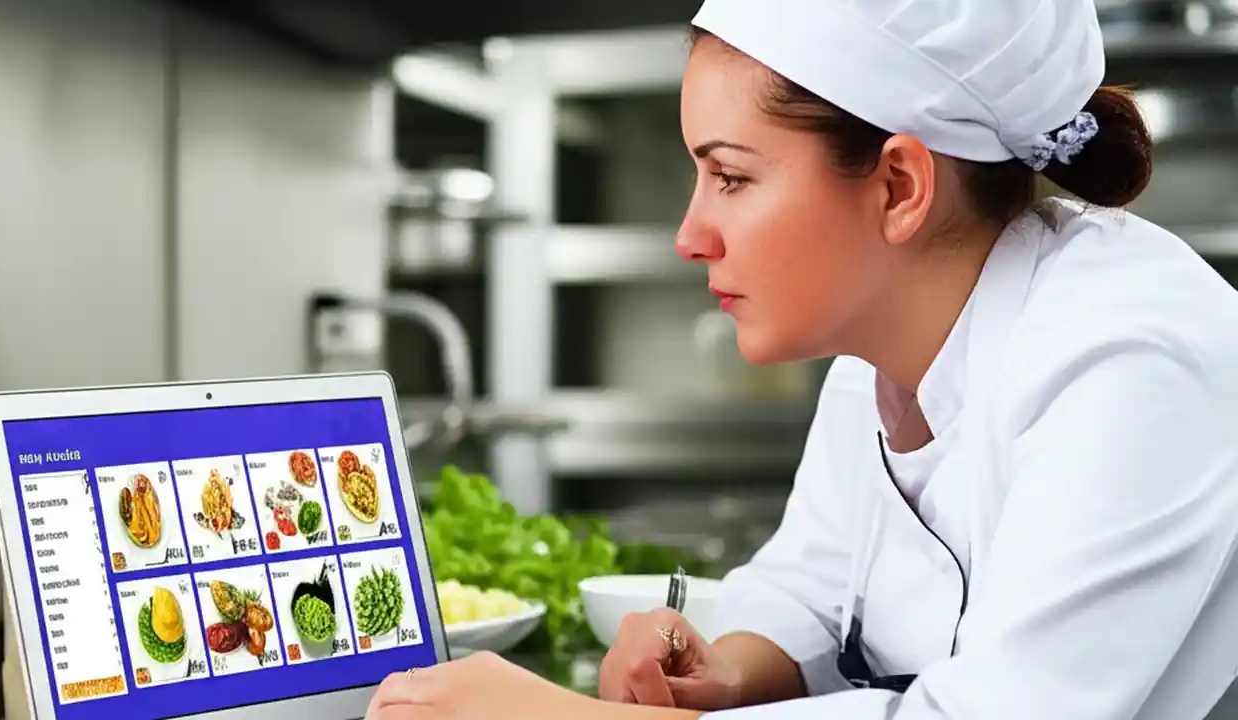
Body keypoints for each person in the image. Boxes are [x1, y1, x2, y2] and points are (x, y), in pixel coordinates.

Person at [365, 0, 1238, 718]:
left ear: (900, 186)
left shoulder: (1128, 359)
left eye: (731, 178)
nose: (690, 235)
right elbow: (814, 590)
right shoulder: (882, 356)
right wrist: (730, 667)